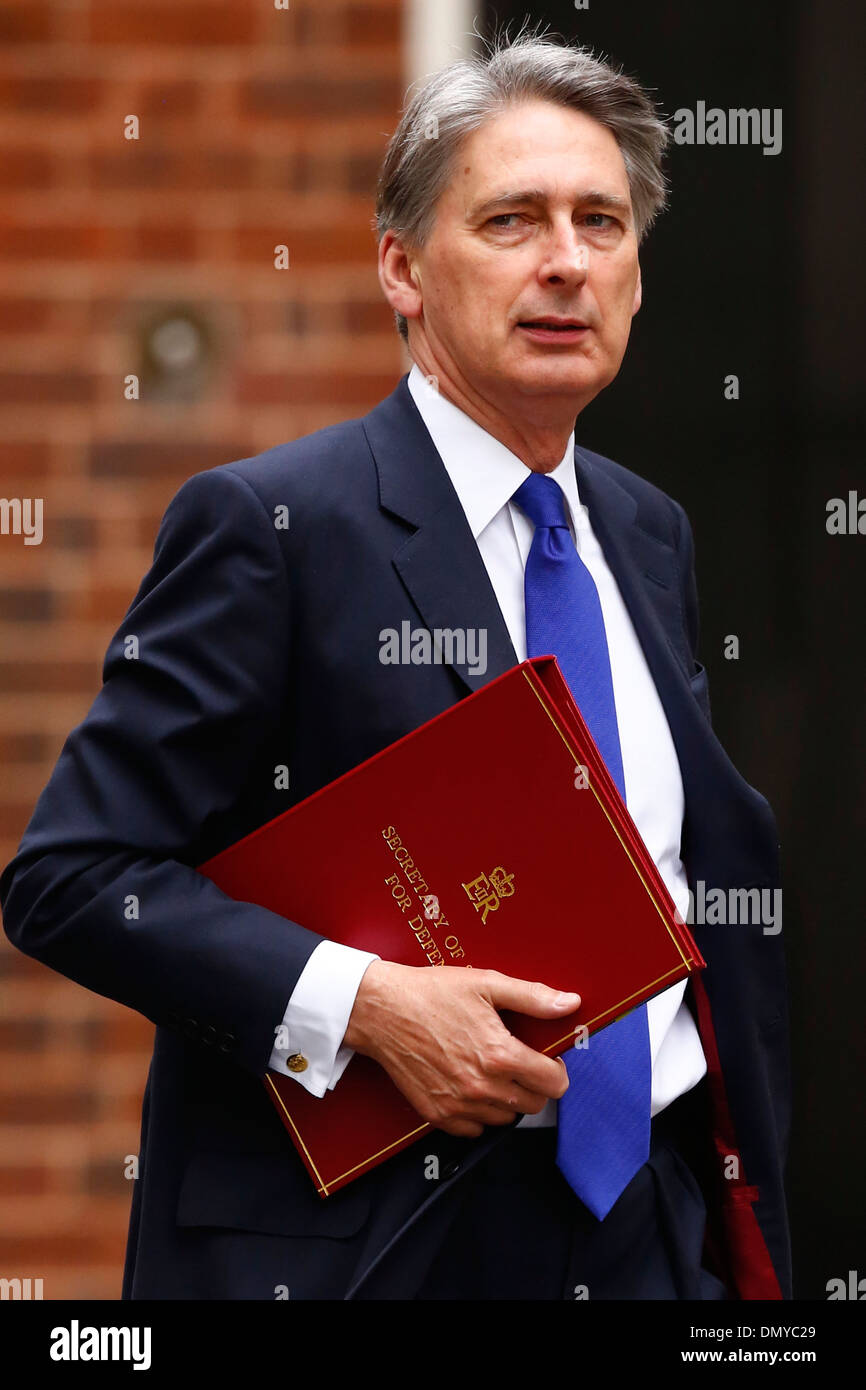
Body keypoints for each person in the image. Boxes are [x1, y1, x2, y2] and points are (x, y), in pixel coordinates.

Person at [0, 31, 791, 1301]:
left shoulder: (647, 533)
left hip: (648, 1231)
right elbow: (74, 881)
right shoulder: (274, 527)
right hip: (383, 1248)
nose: (564, 263)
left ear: (638, 276)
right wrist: (366, 1005)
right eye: (511, 221)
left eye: (599, 222)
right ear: (402, 269)